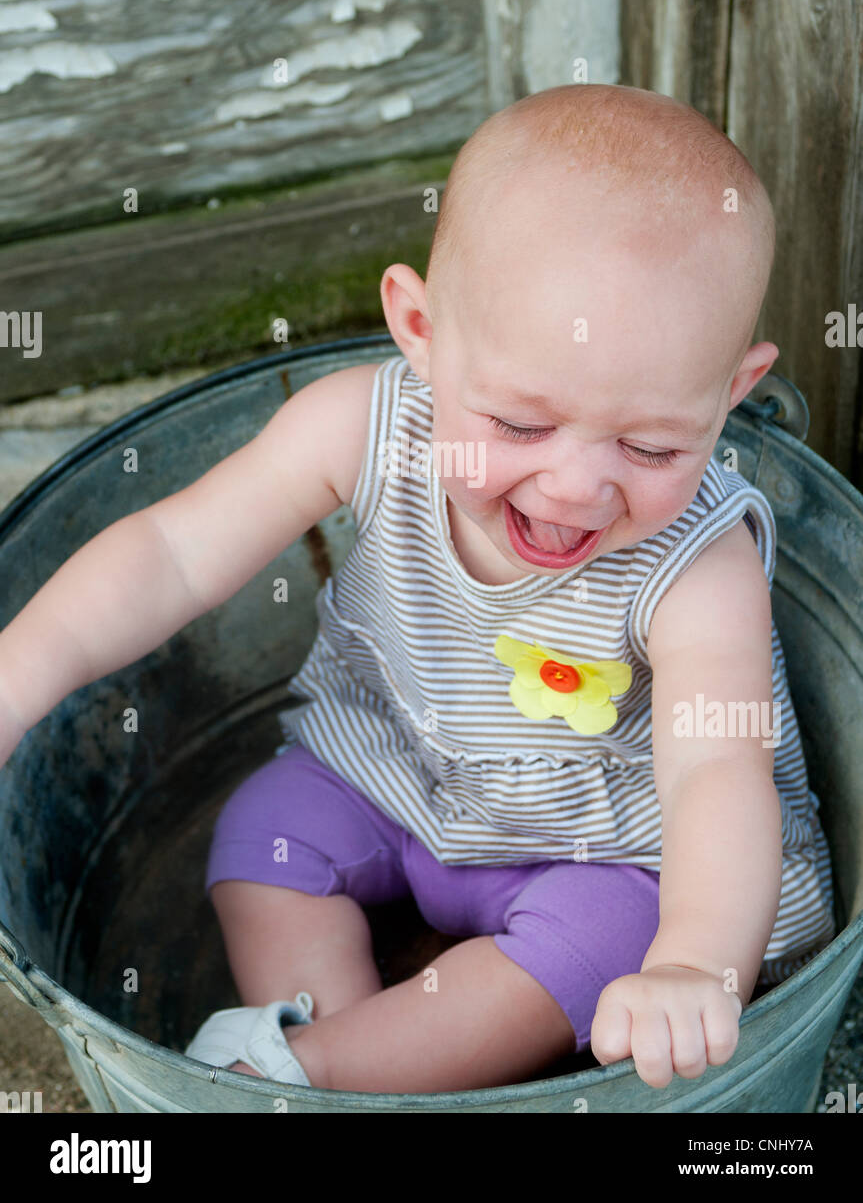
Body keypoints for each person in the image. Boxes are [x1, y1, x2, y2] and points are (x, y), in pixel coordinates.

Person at [0, 85, 835, 1094]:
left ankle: (321, 1073)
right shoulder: (357, 427)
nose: (575, 485)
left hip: (612, 851)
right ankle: (321, 1042)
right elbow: (174, 552)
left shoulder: (699, 565)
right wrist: (13, 683)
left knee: (607, 935)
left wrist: (694, 961)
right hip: (406, 775)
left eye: (652, 443)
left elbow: (715, 778)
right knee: (265, 828)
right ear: (419, 330)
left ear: (732, 394)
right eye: (520, 425)